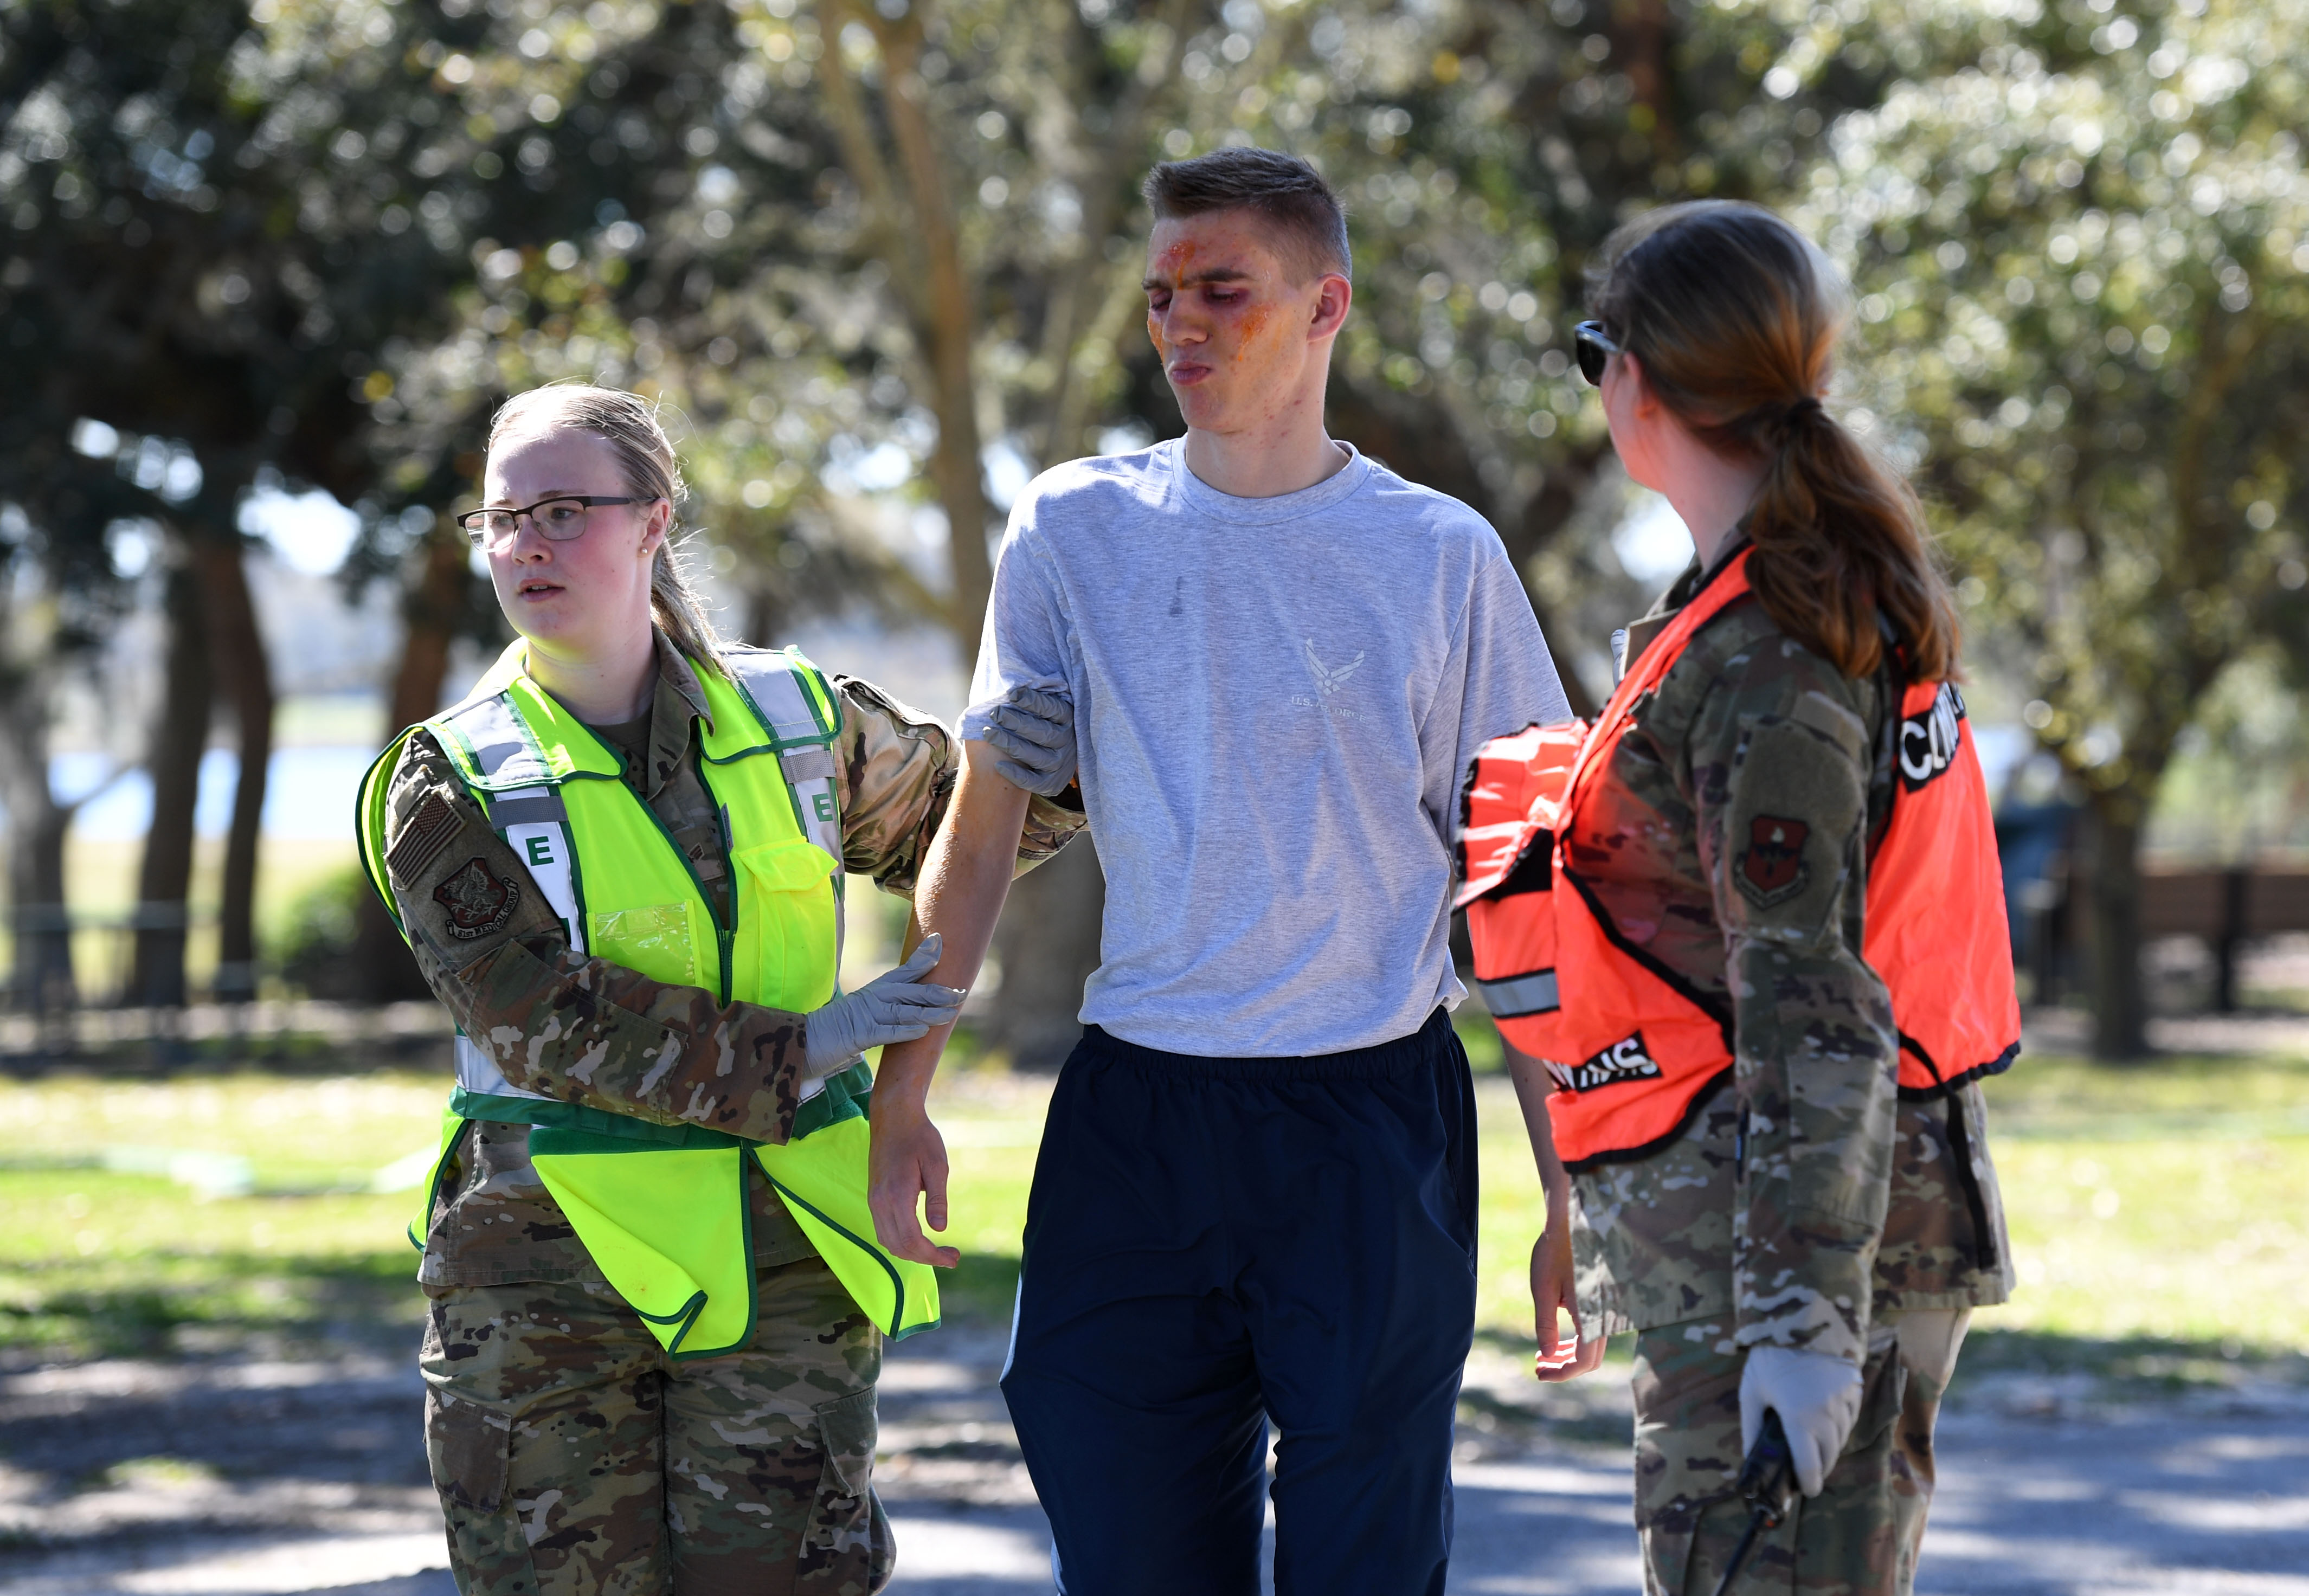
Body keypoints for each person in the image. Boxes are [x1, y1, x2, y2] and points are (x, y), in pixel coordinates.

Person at [861, 148, 1570, 1593]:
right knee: (1127, 1557)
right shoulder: (1071, 526)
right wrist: (905, 1091)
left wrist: (1574, 1192)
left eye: (1220, 291)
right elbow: (986, 823)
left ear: (1325, 307)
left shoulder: (1443, 557)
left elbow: (1522, 890)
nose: (1179, 323)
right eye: (1159, 296)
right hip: (1140, 1116)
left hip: (1373, 1124)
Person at [352, 383, 1084, 1594]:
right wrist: (822, 1040)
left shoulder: (796, 717)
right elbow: (541, 1023)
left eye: (563, 509)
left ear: (653, 521)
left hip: (785, 1259)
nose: (528, 542)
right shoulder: (445, 777)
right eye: (502, 518)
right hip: (541, 1286)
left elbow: (969, 829)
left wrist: (1051, 752)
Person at [1461, 201, 2018, 1595]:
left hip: (1793, 1262)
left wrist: (1799, 1325)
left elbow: (1817, 1007)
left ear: (1636, 379)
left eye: (1597, 350)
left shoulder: (1773, 655)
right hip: (1774, 1242)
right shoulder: (1760, 607)